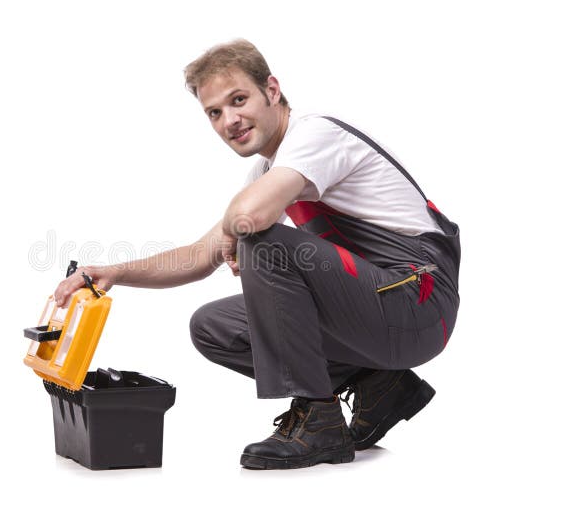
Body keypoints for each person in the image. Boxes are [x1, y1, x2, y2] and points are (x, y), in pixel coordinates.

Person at [53, 39, 460, 470]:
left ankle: (319, 421)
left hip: (418, 305)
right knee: (214, 327)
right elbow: (199, 256)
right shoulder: (267, 171)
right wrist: (113, 272)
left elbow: (249, 219)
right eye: (214, 112)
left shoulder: (315, 135)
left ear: (272, 90)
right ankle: (380, 385)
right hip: (377, 309)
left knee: (262, 243)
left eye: (238, 100)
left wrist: (240, 232)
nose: (230, 120)